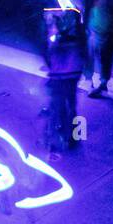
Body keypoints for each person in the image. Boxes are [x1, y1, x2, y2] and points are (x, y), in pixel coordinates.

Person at [43, 8, 86, 155]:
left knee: (58, 105)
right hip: (71, 76)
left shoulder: (56, 39)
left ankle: (58, 134)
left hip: (59, 77)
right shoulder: (78, 39)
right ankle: (74, 137)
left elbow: (50, 54)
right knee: (71, 105)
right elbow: (82, 54)